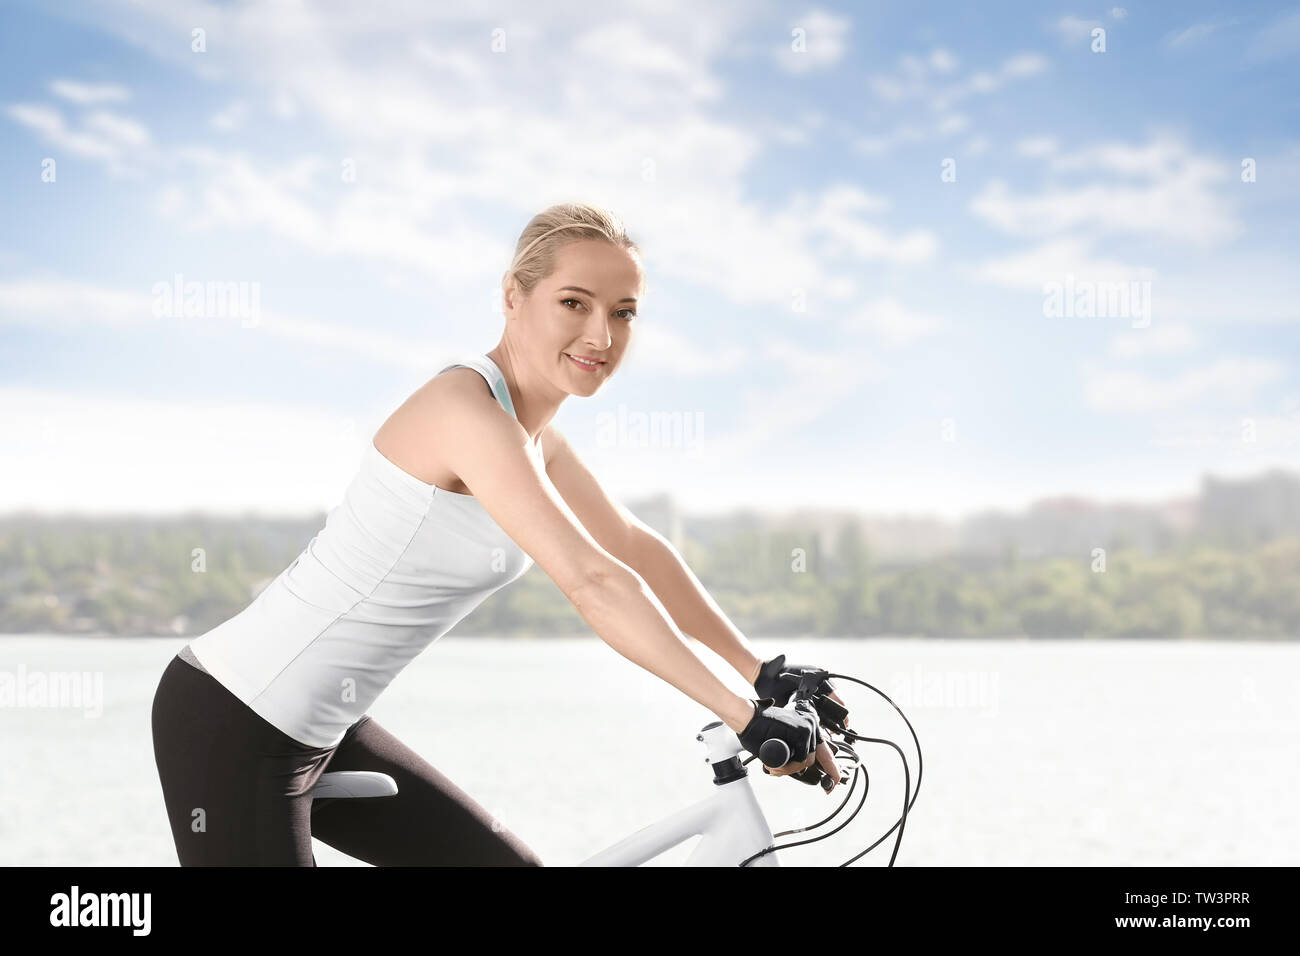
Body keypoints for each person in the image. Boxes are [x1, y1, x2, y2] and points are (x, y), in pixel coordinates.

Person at [150, 202, 850, 867]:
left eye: (623, 313)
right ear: (514, 296)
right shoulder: (466, 412)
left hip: (330, 732)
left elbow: (633, 550)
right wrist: (742, 716)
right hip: (234, 719)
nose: (601, 336)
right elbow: (594, 580)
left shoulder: (536, 440)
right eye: (574, 303)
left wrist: (760, 672)